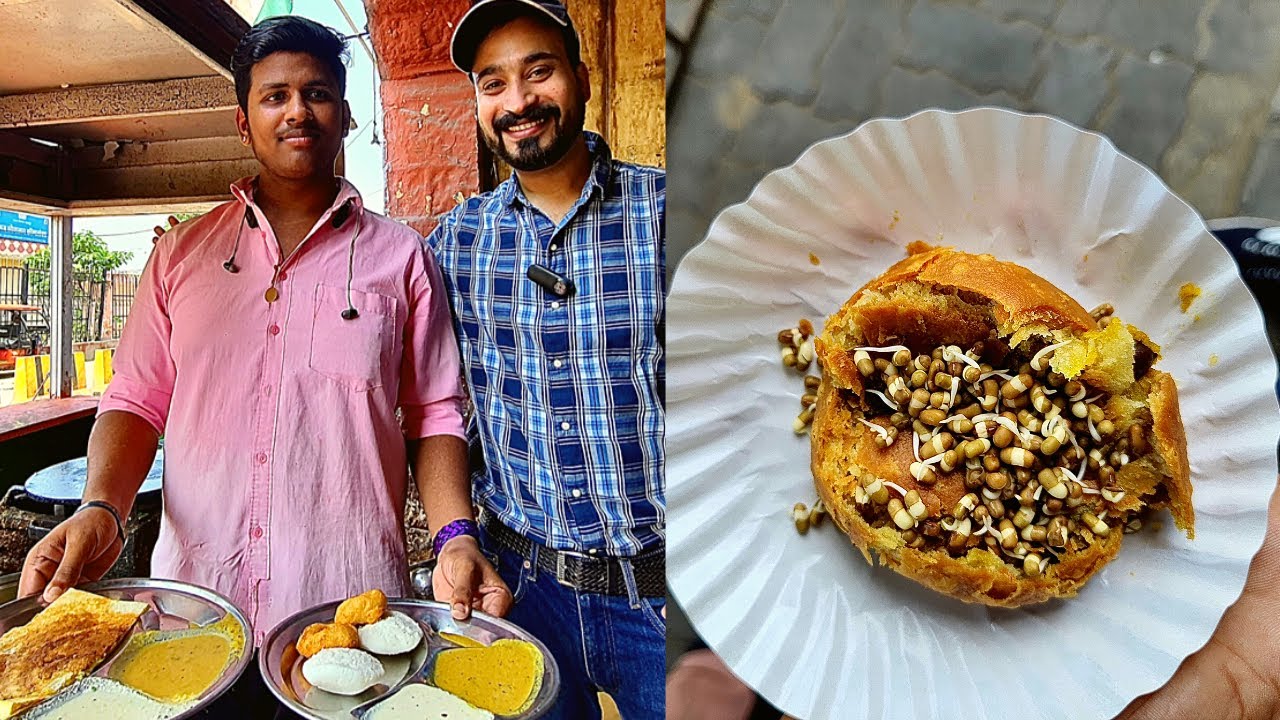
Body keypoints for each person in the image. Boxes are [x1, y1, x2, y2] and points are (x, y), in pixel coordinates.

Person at [19, 16, 510, 646]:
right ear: (243, 122)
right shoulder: (179, 256)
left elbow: (434, 413)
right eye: (275, 96)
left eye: (317, 93)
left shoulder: (402, 258)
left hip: (350, 606)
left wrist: (454, 537)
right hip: (195, 608)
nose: (297, 112)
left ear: (345, 114)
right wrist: (101, 506)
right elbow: (136, 400)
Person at [427, 1, 665, 718]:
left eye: (539, 72)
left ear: (582, 79)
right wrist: (453, 535)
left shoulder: (670, 213)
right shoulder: (456, 245)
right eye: (492, 83)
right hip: (520, 594)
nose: (519, 101)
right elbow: (429, 403)